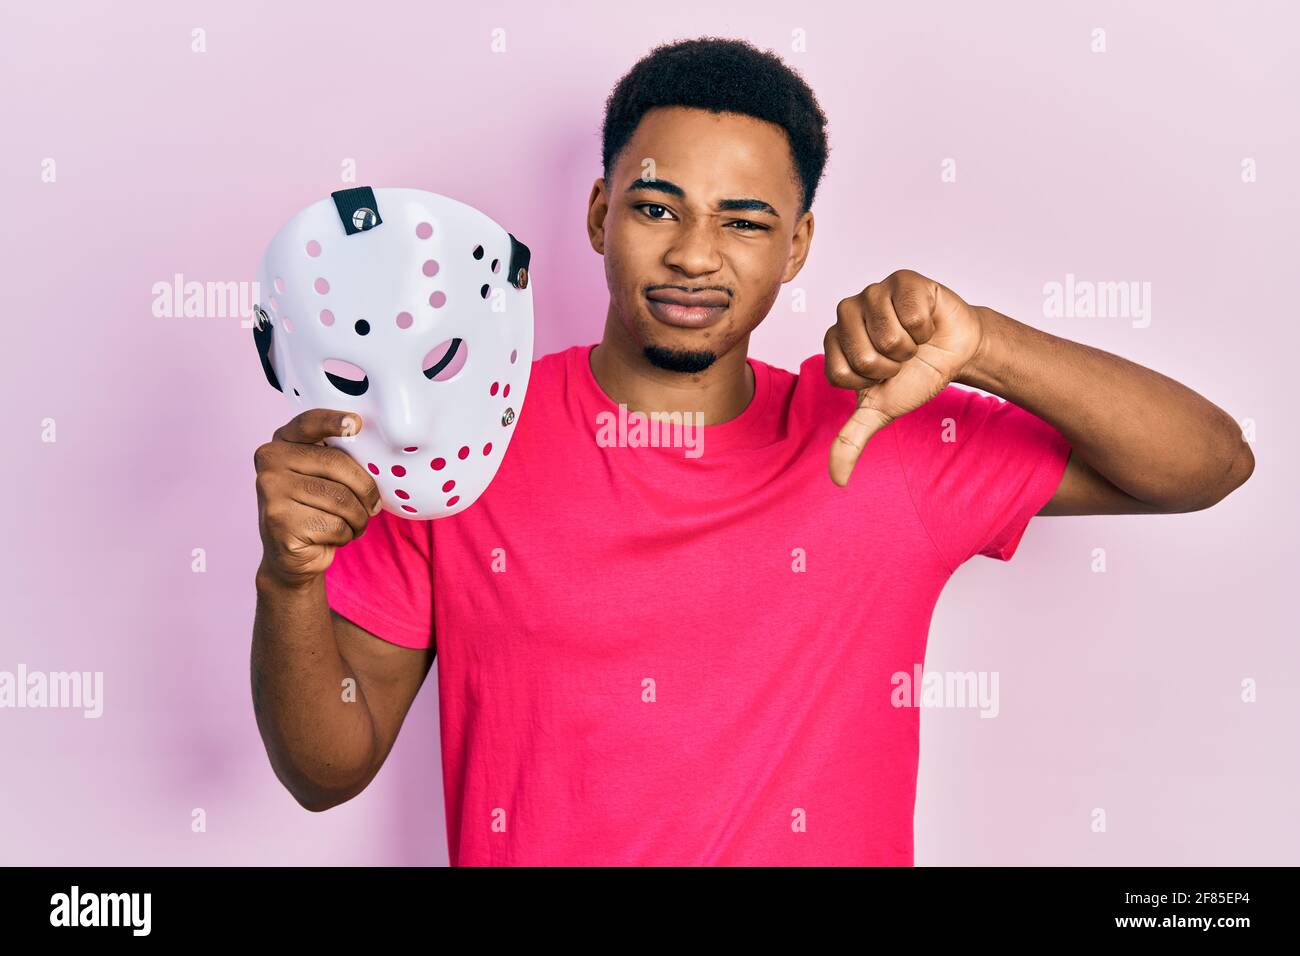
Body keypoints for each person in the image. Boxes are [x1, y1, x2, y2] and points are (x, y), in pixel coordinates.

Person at [250, 37, 1254, 865]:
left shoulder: (875, 433)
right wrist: (289, 577)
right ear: (601, 215)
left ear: (797, 246)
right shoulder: (463, 429)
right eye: (656, 208)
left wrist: (985, 341)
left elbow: (1208, 463)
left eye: (743, 222)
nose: (694, 252)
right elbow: (326, 768)